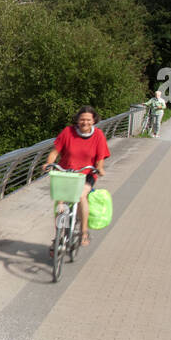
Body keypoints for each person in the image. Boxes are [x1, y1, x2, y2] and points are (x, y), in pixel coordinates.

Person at [42, 107, 110, 250]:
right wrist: (49, 163)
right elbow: (55, 152)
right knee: (61, 204)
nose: (85, 122)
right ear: (77, 120)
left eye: (88, 120)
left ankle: (83, 232)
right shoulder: (68, 132)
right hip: (66, 172)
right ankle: (59, 236)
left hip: (87, 174)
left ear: (94, 121)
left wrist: (100, 168)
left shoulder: (98, 135)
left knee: (81, 196)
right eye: (82, 119)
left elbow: (101, 157)